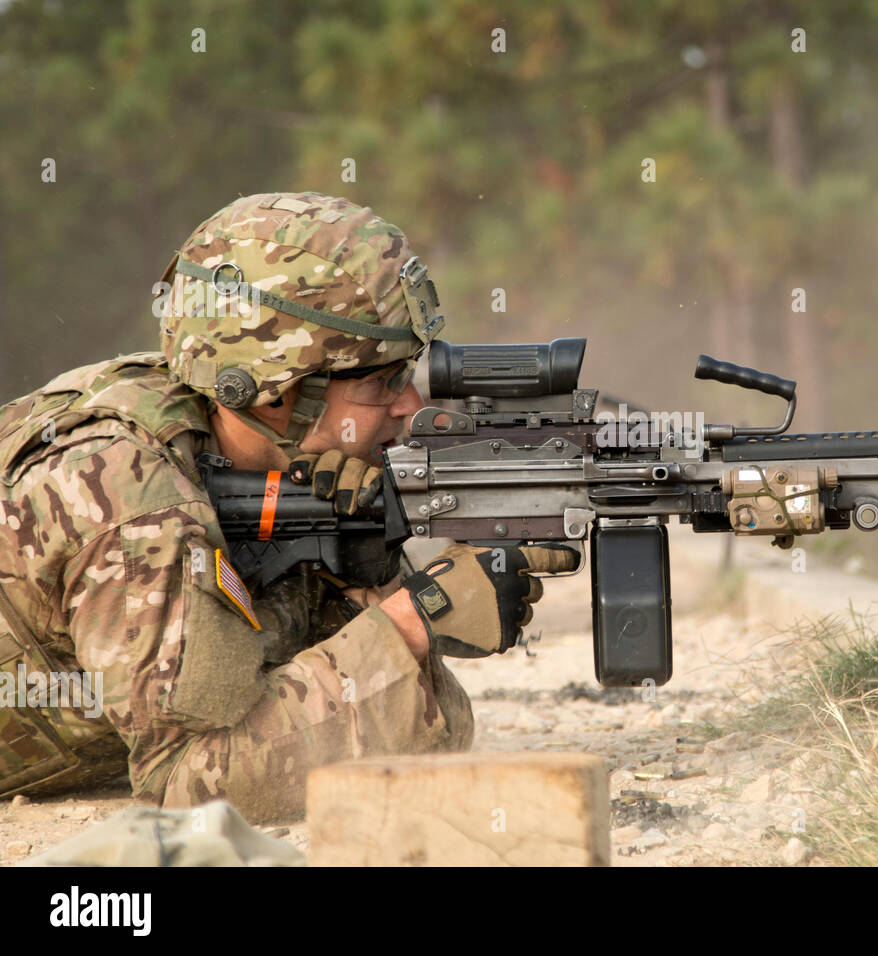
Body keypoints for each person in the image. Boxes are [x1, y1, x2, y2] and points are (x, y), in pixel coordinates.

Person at [0, 191, 574, 821]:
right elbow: (188, 782)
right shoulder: (130, 498)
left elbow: (427, 737)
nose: (410, 406)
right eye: (382, 381)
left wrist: (362, 576)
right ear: (278, 395)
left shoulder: (265, 467)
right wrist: (414, 620)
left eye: (406, 373)